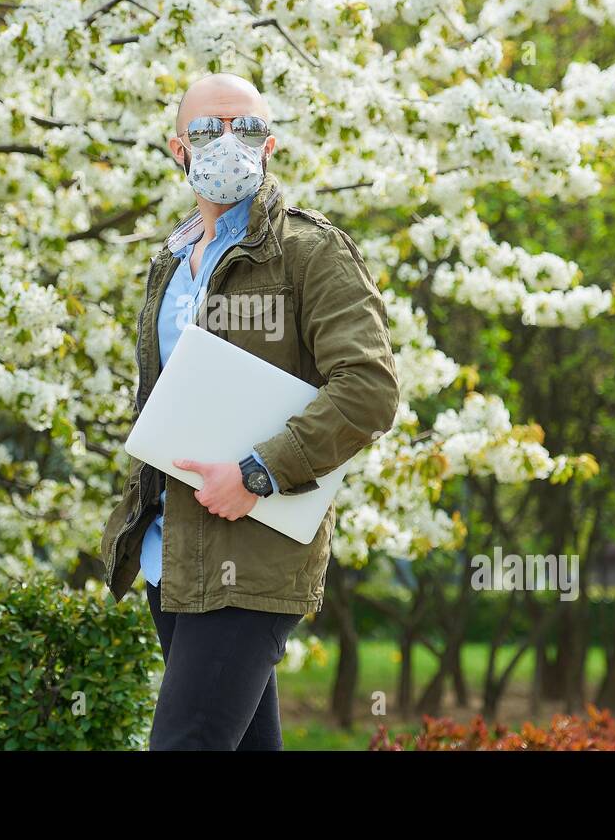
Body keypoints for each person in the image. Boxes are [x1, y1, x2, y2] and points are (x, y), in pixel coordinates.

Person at [98, 72, 399, 750]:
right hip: (169, 556)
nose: (228, 143)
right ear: (179, 149)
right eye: (208, 130)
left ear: (271, 146)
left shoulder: (310, 252)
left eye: (247, 128)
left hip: (252, 558)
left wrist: (259, 470)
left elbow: (369, 388)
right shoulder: (170, 263)